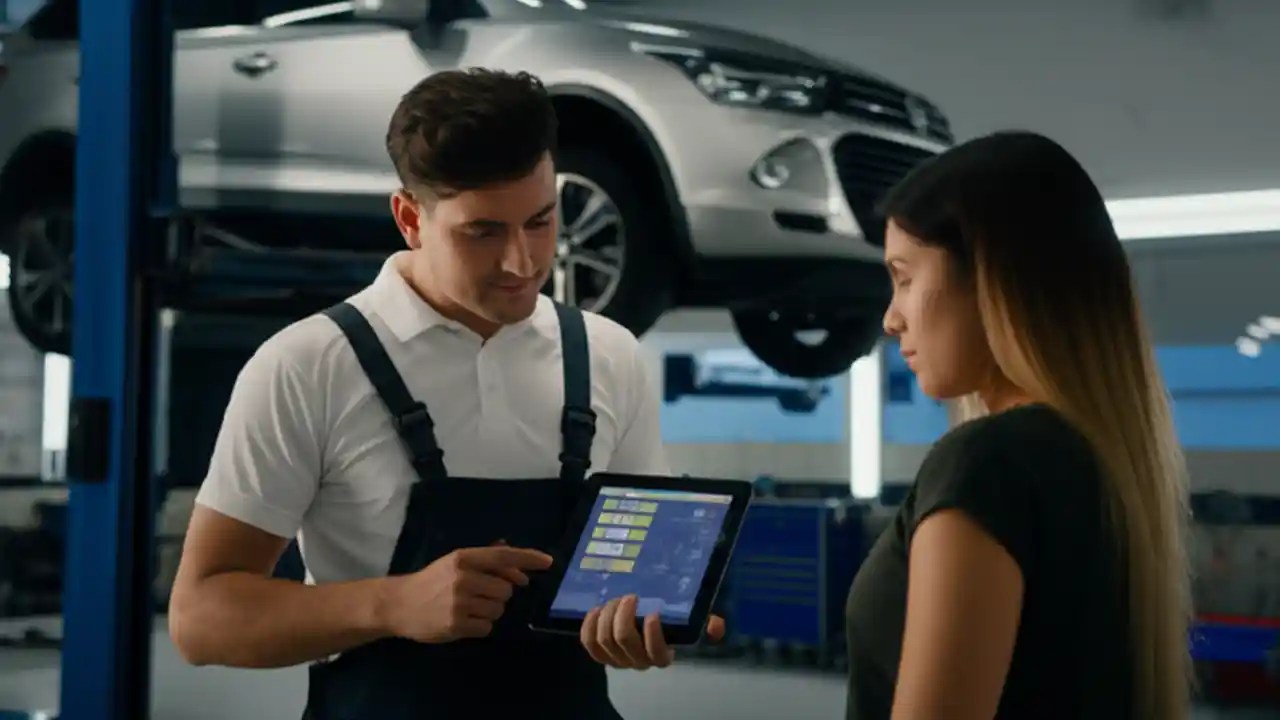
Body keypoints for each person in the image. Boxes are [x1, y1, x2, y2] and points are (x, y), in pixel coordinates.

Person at [168, 68, 719, 720]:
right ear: (410, 218)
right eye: (482, 232)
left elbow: (640, 586)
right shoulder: (307, 366)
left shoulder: (609, 356)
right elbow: (201, 617)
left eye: (542, 220)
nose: (522, 262)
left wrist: (646, 624)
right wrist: (393, 603)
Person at [844, 131, 1193, 720]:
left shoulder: (986, 464)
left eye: (905, 278)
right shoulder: (1105, 464)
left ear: (990, 278)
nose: (891, 317)